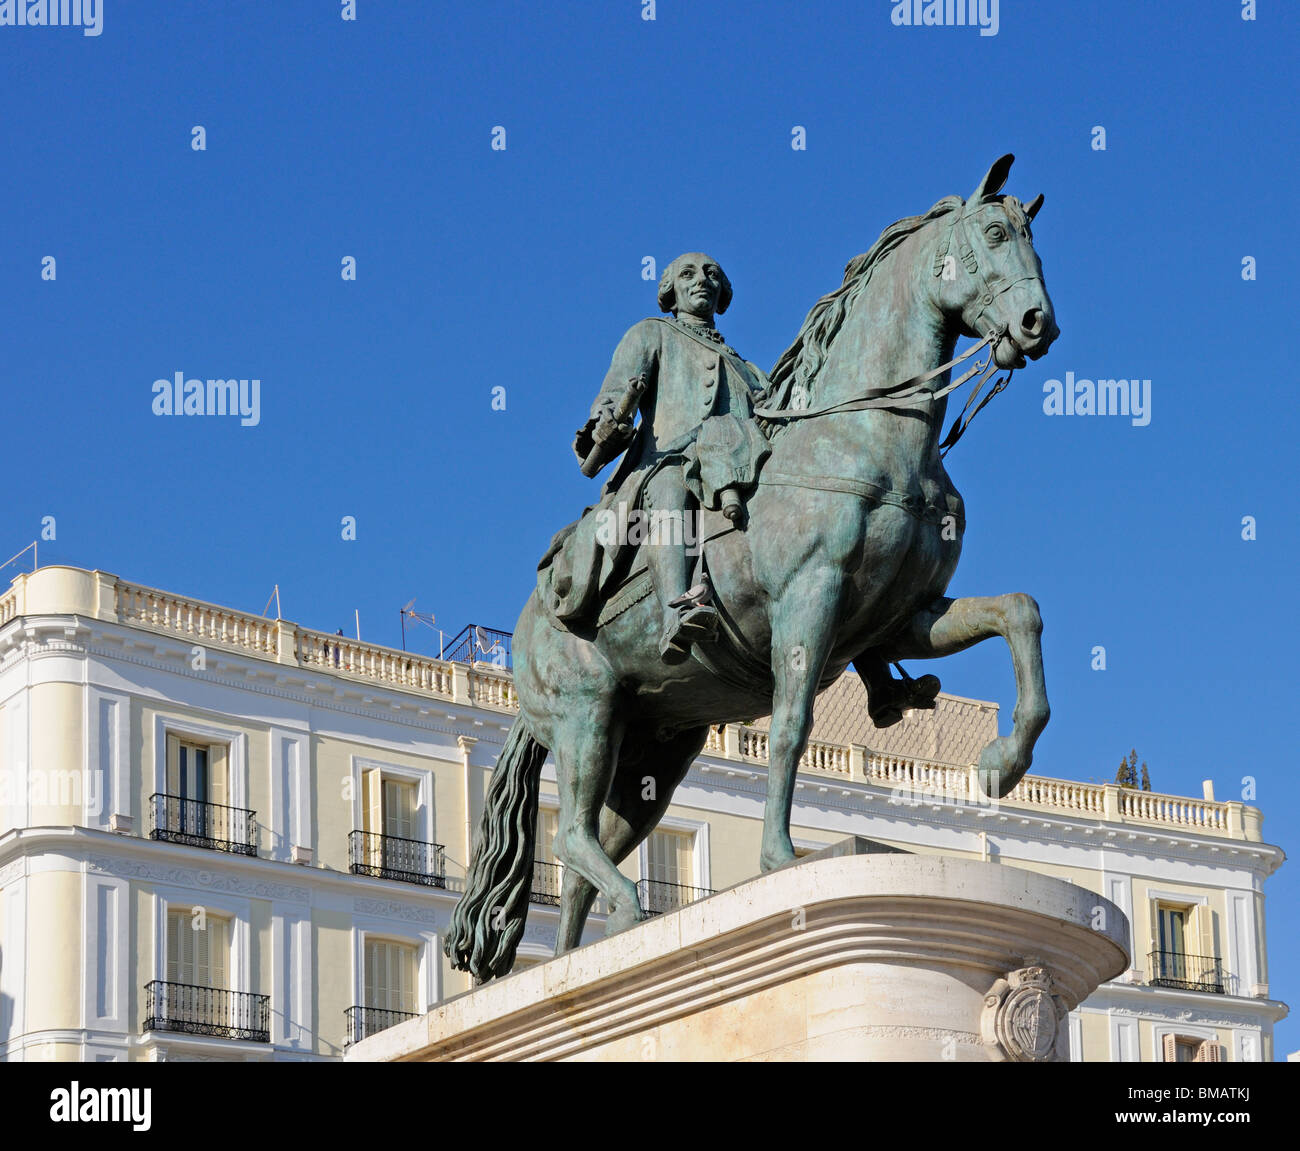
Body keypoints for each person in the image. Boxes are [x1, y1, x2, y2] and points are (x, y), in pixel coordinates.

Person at [571, 253, 770, 663]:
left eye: (712, 273)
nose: (702, 279)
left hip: (739, 466)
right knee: (672, 485)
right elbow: (611, 399)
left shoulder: (747, 368)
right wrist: (608, 421)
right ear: (670, 290)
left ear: (723, 293)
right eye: (688, 273)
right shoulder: (651, 333)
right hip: (670, 460)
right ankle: (674, 615)